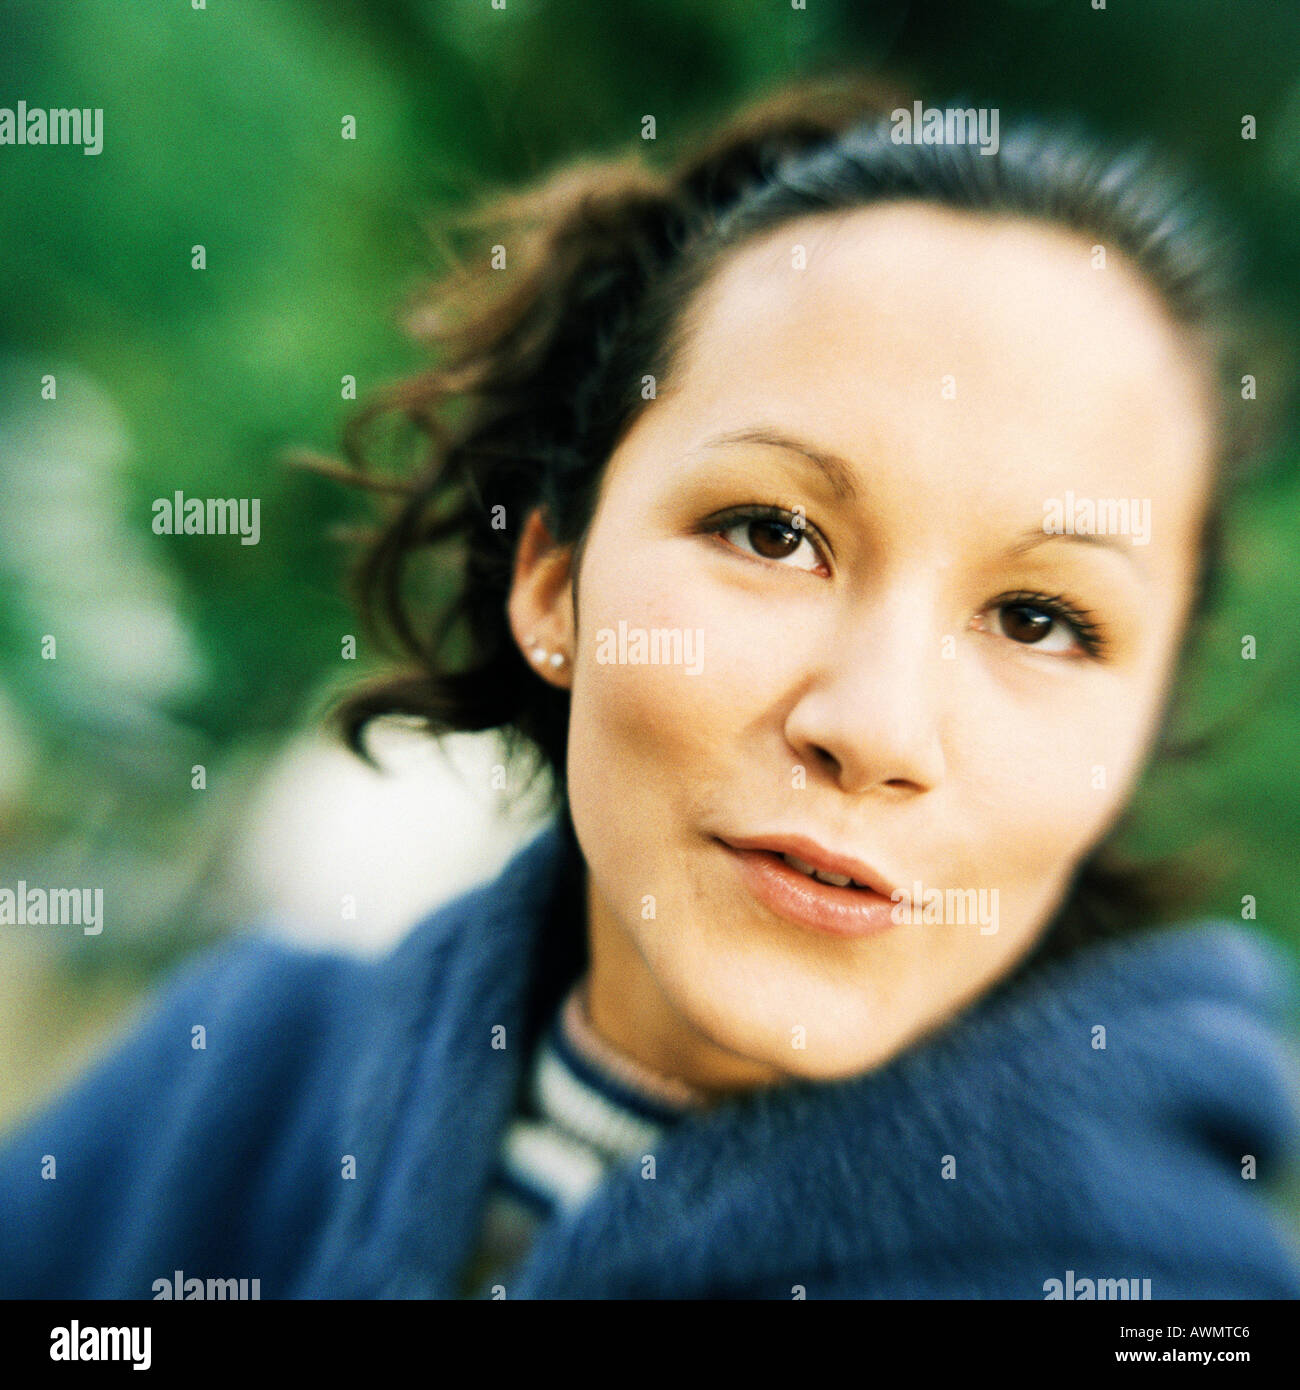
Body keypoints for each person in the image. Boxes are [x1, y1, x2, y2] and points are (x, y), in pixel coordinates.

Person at [3, 75, 1299, 1300]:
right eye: (772, 533)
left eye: (1040, 618)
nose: (874, 726)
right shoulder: (228, 1076)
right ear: (554, 582)